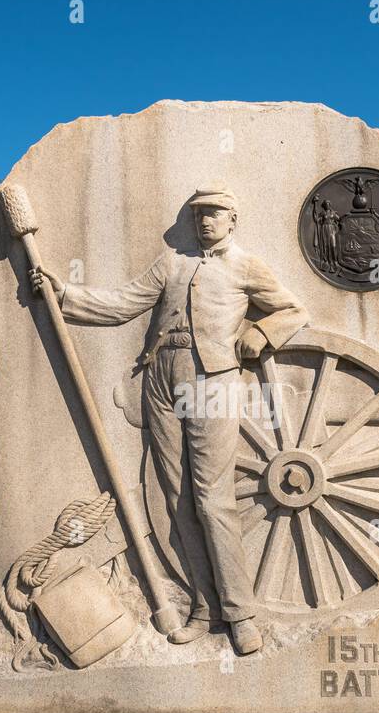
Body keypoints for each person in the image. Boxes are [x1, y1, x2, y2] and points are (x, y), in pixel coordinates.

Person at [30, 183, 309, 654]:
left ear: (232, 220)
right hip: (162, 378)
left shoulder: (245, 265)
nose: (206, 221)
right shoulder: (173, 263)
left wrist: (262, 332)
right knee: (178, 497)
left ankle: (240, 614)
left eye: (216, 213)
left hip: (213, 381)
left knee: (212, 498)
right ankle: (205, 606)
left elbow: (294, 309)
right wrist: (65, 294)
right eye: (200, 213)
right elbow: (123, 303)